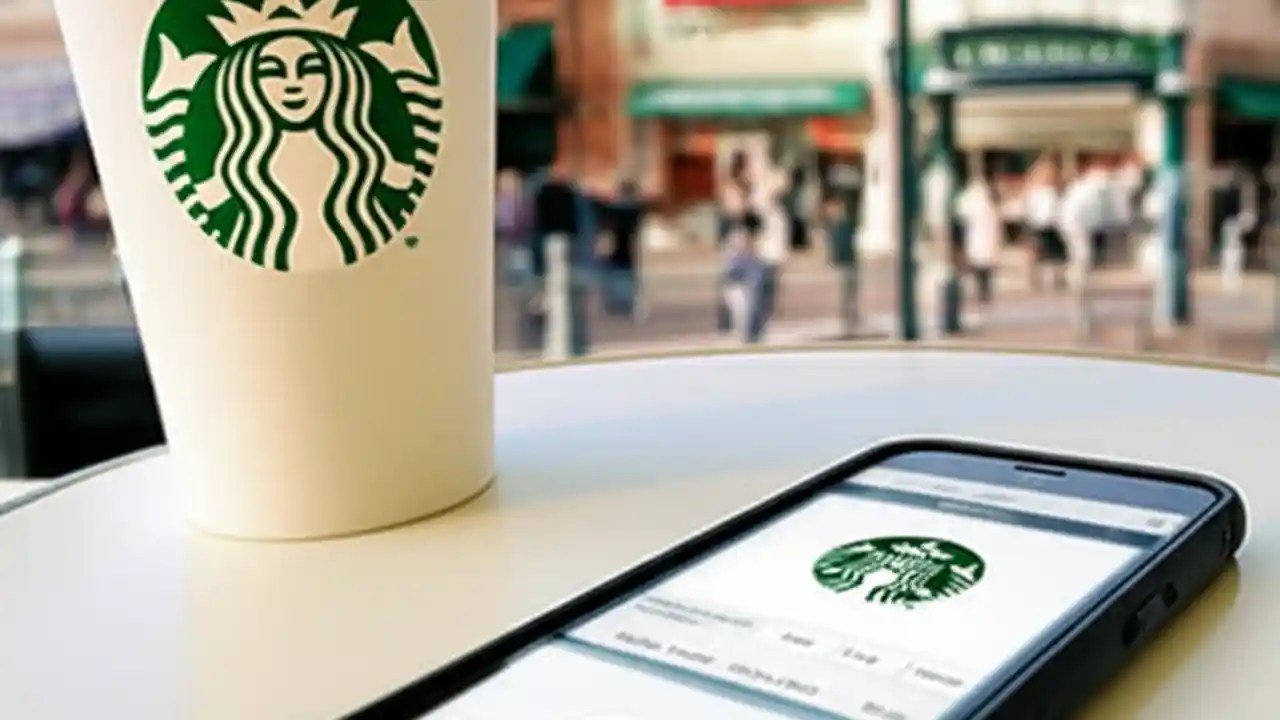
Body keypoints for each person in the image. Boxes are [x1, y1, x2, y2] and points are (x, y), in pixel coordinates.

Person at [600, 179, 648, 319]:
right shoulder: (634, 209)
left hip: (618, 247)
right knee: (626, 277)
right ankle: (625, 304)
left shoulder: (619, 209)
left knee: (617, 276)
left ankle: (618, 304)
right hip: (627, 248)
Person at [957, 172, 1002, 309]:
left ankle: (983, 293)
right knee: (984, 269)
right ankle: (984, 293)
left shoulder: (977, 201)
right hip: (984, 241)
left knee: (981, 268)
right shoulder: (990, 203)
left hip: (980, 241)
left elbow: (963, 214)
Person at [722, 212, 768, 344]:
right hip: (737, 284)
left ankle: (752, 338)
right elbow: (731, 267)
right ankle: (744, 340)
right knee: (742, 317)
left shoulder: (754, 246)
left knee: (753, 314)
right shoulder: (737, 240)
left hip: (749, 284)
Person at [1025, 159, 1066, 292]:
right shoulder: (1036, 192)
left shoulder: (1052, 191)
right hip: (1040, 225)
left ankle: (1054, 279)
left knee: (1053, 255)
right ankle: (1039, 279)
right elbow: (1030, 209)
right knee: (1041, 254)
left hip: (1051, 225)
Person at [822, 195, 859, 337]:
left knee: (850, 289)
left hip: (849, 262)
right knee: (846, 290)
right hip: (843, 262)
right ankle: (847, 317)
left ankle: (850, 316)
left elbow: (846, 243)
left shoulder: (844, 224)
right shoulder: (834, 227)